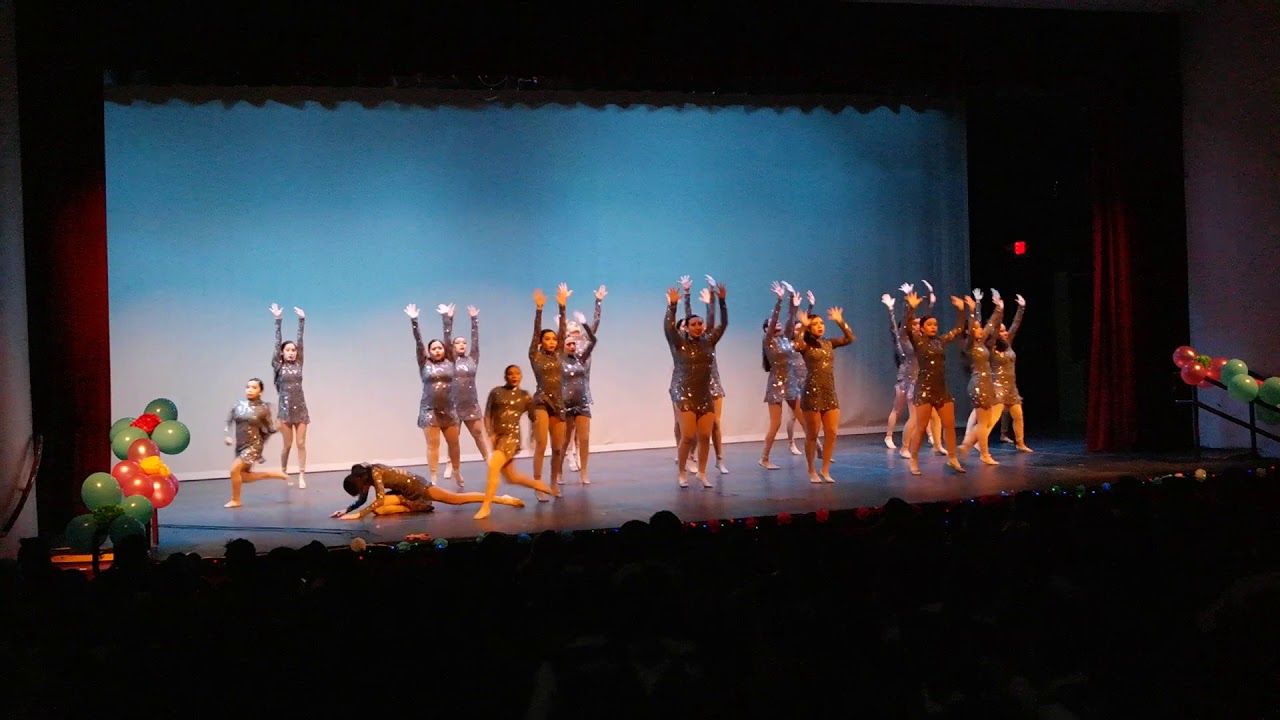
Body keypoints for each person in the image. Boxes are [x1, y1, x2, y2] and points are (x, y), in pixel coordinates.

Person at [665, 280, 727, 488]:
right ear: (687, 327)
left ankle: (702, 472)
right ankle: (682, 471)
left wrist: (722, 301)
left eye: (700, 324)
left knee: (705, 435)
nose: (698, 327)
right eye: (693, 324)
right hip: (685, 395)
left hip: (704, 395)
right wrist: (673, 306)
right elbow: (668, 328)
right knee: (688, 436)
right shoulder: (679, 344)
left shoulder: (709, 342)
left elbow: (723, 325)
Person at [474, 365, 557, 519]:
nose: (514, 376)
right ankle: (537, 484)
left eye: (517, 374)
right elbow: (488, 414)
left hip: (511, 438)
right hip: (498, 438)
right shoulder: (496, 392)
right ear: (505, 376)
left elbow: (534, 417)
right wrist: (490, 433)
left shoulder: (524, 396)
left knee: (493, 466)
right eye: (511, 374)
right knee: (511, 477)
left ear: (521, 376)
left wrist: (533, 435)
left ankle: (486, 507)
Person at [903, 291, 967, 476]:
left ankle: (952, 458)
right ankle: (914, 459)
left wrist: (961, 311)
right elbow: (907, 327)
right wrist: (911, 308)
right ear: (922, 328)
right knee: (921, 427)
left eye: (935, 324)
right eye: (929, 324)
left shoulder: (940, 341)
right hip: (924, 388)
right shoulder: (918, 341)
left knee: (949, 425)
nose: (933, 327)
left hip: (941, 389)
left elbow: (958, 329)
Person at [793, 304, 856, 483]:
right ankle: (811, 470)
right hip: (812, 392)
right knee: (812, 434)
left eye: (822, 323)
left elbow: (850, 338)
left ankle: (825, 469)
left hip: (829, 391)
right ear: (809, 328)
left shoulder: (829, 343)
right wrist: (803, 326)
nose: (820, 326)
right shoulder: (805, 345)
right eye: (815, 324)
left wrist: (840, 321)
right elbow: (797, 344)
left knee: (832, 432)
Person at [330, 462, 524, 519]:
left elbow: (379, 499)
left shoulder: (376, 473)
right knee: (378, 510)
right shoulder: (366, 479)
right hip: (404, 492)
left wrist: (358, 516)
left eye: (360, 490)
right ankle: (412, 506)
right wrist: (346, 510)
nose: (362, 491)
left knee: (457, 499)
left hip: (418, 488)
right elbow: (363, 500)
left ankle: (501, 498)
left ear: (361, 482)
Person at [407, 302, 463, 484]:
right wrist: (414, 321)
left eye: (440, 348)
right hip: (429, 410)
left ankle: (456, 471)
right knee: (433, 445)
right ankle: (433, 477)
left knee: (454, 443)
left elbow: (448, 337)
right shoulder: (424, 363)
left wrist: (446, 319)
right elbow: (418, 343)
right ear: (429, 352)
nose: (437, 350)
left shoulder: (450, 361)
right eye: (434, 348)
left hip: (449, 409)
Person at [530, 284, 572, 495]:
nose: (552, 342)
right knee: (541, 445)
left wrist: (562, 307)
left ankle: (554, 483)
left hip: (558, 402)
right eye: (547, 339)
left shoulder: (559, 354)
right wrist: (539, 310)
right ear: (540, 342)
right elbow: (535, 332)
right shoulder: (535, 355)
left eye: (554, 339)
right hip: (541, 401)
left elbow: (563, 332)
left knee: (557, 448)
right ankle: (538, 484)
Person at [760, 282, 807, 468]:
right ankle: (764, 458)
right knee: (775, 423)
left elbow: (790, 320)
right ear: (767, 329)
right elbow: (775, 321)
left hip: (791, 383)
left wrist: (792, 301)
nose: (777, 324)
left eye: (779, 323)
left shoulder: (786, 339)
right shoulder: (768, 340)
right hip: (775, 384)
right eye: (773, 323)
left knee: (803, 419)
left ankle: (818, 448)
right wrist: (779, 301)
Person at [223, 377, 288, 508]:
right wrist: (228, 436)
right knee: (243, 476)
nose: (250, 390)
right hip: (240, 446)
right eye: (248, 387)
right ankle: (272, 474)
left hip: (254, 445)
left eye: (254, 387)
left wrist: (279, 427)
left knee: (234, 470)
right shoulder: (238, 405)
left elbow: (270, 429)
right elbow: (228, 422)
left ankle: (236, 500)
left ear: (260, 391)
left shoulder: (263, 408)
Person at [957, 294, 1004, 465]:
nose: (980, 330)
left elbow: (991, 325)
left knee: (985, 422)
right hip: (979, 384)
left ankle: (967, 445)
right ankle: (983, 453)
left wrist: (999, 309)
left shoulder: (981, 343)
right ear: (970, 332)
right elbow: (973, 326)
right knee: (984, 422)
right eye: (977, 328)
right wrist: (972, 310)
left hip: (986, 383)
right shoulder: (969, 345)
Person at [444, 305, 487, 485]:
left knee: (478, 434)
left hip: (470, 403)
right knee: (453, 439)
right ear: (452, 346)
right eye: (458, 342)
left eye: (464, 342)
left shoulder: (473, 358)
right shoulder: (450, 360)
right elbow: (446, 338)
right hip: (453, 404)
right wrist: (448, 319)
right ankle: (451, 465)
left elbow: (476, 340)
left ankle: (488, 459)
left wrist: (474, 320)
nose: (462, 344)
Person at [565, 285, 606, 473]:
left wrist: (598, 301)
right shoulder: (566, 346)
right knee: (570, 428)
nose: (574, 331)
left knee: (581, 429)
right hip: (567, 388)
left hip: (582, 387)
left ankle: (579, 454)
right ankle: (570, 455)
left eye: (576, 328)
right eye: (570, 329)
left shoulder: (586, 342)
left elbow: (594, 325)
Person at [269, 304, 310, 488]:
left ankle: (301, 475)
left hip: (300, 409)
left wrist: (302, 321)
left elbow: (301, 341)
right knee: (287, 445)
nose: (291, 353)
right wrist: (278, 320)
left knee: (301, 443)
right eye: (288, 350)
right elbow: (277, 343)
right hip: (285, 412)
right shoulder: (278, 365)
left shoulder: (299, 363)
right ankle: (284, 471)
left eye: (293, 350)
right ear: (282, 353)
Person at [991, 292, 1032, 452]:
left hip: (1011, 387)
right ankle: (978, 441)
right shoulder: (991, 348)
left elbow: (1015, 325)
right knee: (992, 419)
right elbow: (994, 327)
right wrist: (999, 310)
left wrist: (1021, 308)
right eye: (1001, 331)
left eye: (1005, 331)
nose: (1005, 333)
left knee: (1018, 415)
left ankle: (1020, 443)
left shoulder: (1007, 343)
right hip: (997, 387)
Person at [562, 317, 599, 484]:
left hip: (582, 397)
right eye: (569, 342)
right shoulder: (560, 359)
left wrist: (585, 322)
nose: (573, 344)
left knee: (583, 436)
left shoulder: (582, 357)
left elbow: (593, 340)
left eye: (574, 342)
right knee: (566, 437)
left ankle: (583, 468)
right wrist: (562, 319)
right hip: (566, 400)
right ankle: (564, 463)